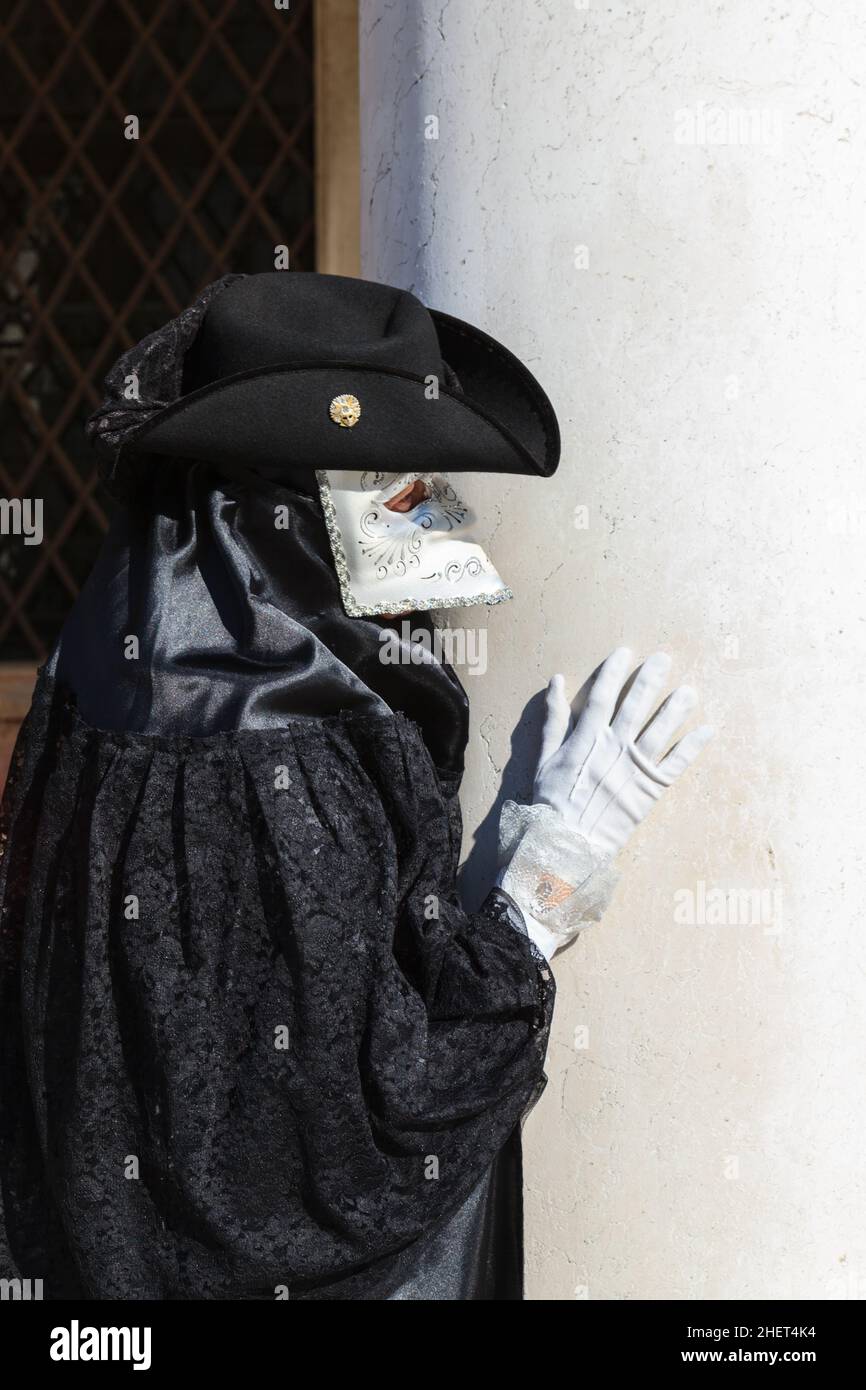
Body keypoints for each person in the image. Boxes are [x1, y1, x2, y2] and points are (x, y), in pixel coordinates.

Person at [0, 272, 710, 1300]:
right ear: (283, 506)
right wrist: (547, 877)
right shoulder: (271, 758)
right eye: (394, 480)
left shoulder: (102, 665)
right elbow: (365, 1126)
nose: (438, 520)